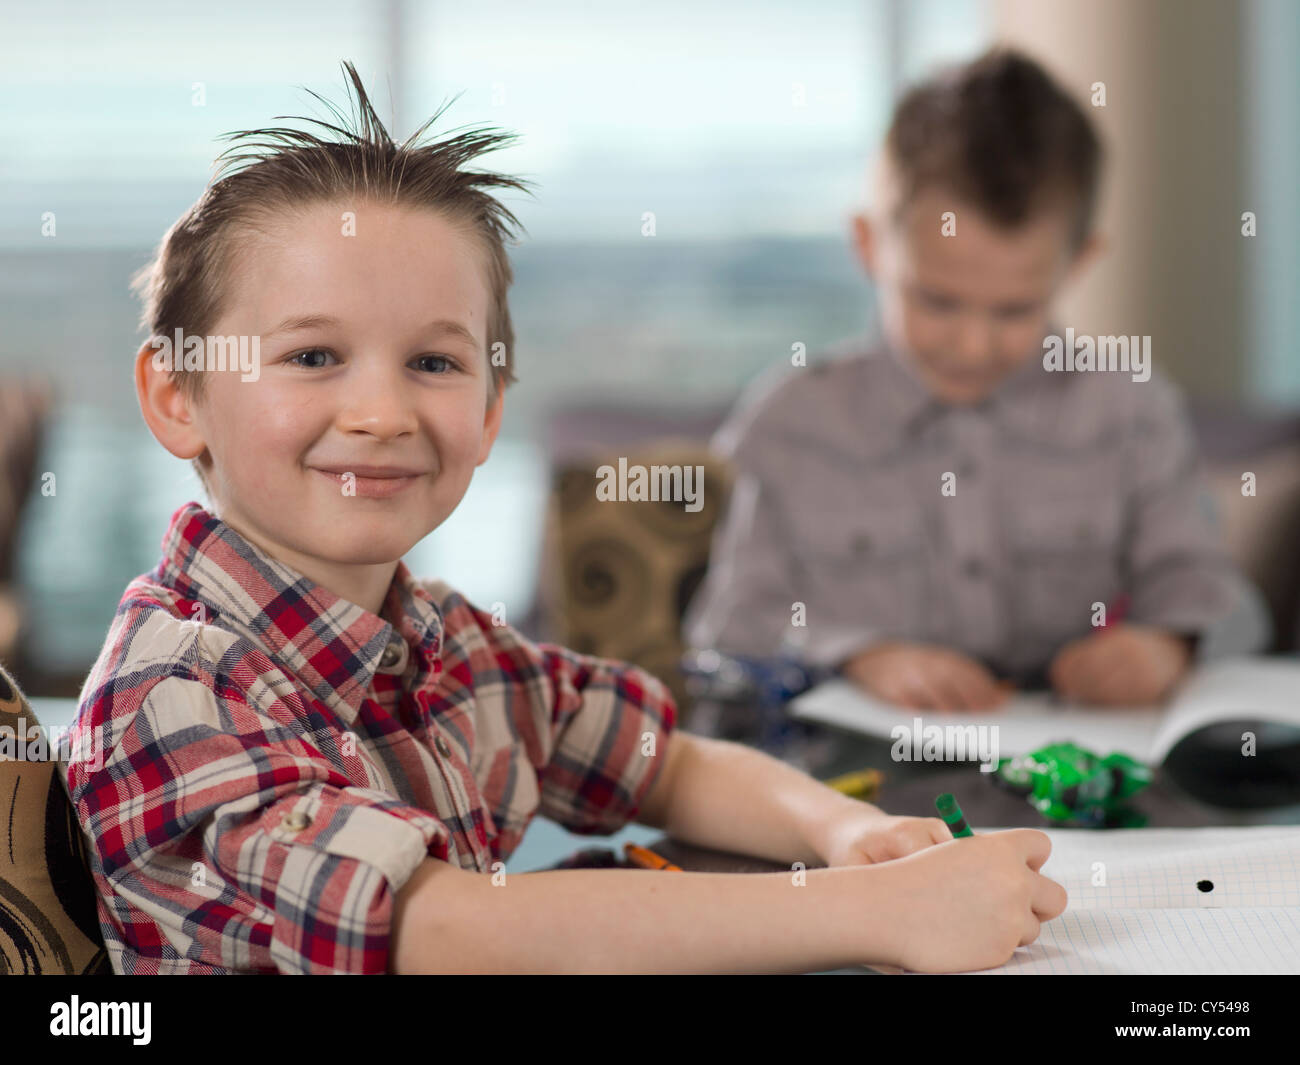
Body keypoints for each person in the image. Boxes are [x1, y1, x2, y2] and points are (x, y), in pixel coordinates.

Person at [63, 62, 1064, 975]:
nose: (382, 412)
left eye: (434, 363)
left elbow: (663, 763)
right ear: (176, 397)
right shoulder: (174, 690)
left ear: (491, 411)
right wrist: (867, 910)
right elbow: (446, 931)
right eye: (314, 357)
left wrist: (839, 834)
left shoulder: (450, 644)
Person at [685, 48, 1269, 713]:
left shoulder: (1130, 408)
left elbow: (1223, 604)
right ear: (869, 245)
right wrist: (859, 652)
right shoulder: (789, 422)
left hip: (1079, 782)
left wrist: (1167, 645)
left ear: (1079, 262)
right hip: (851, 792)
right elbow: (727, 633)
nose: (972, 344)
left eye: (1014, 309)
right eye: (936, 301)